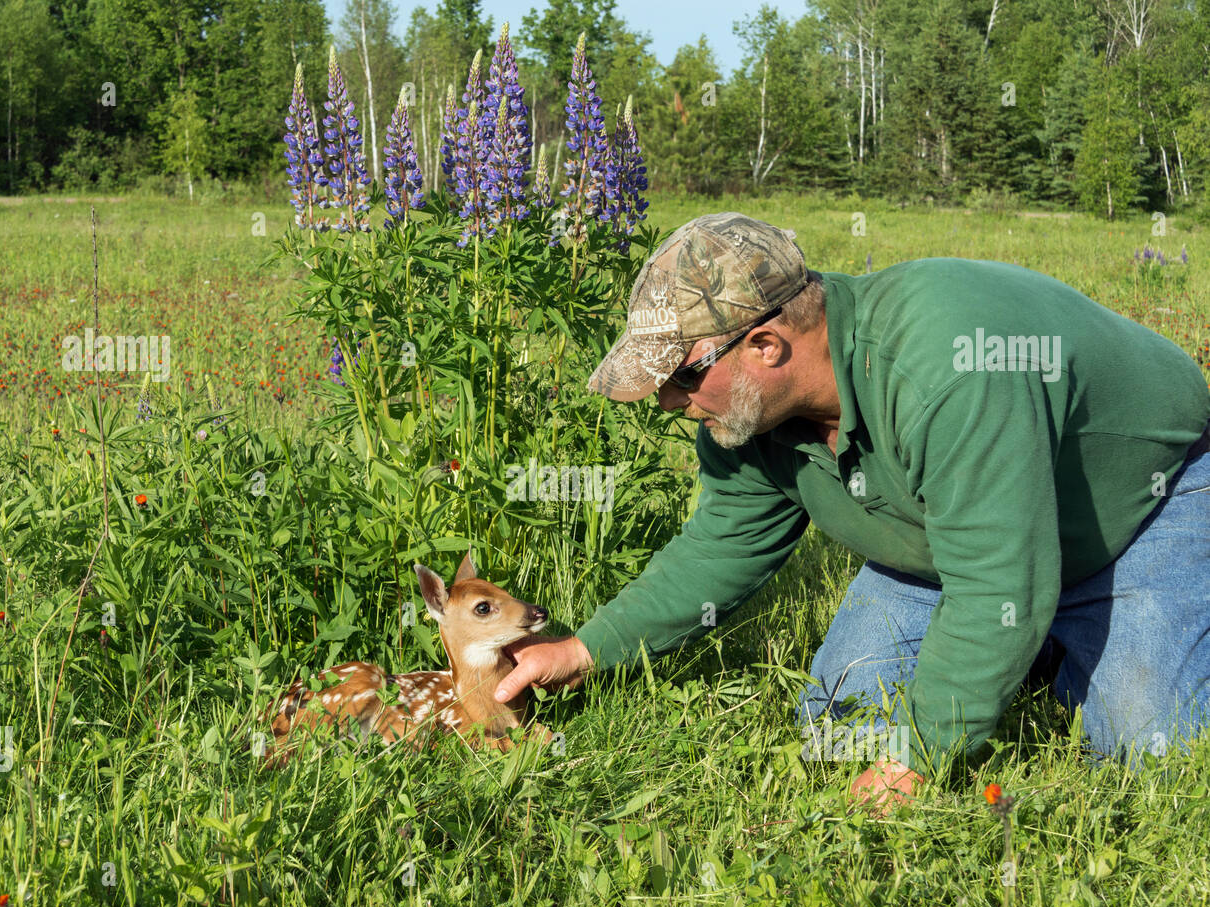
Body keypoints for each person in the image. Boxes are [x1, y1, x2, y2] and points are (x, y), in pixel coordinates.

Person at [493, 211, 1210, 812]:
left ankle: (1049, 637)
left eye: (682, 375)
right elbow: (720, 545)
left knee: (1144, 743)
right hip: (946, 541)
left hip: (1143, 509)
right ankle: (1026, 650)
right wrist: (585, 648)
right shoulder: (745, 419)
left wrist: (925, 753)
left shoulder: (944, 366)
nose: (668, 401)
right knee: (840, 724)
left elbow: (1000, 579)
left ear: (767, 345)